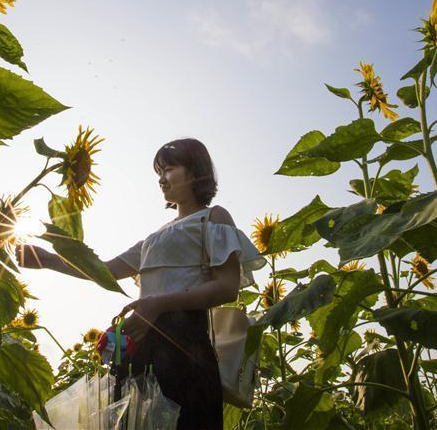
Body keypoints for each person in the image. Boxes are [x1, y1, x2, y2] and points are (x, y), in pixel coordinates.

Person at [17, 138, 266, 430]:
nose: (161, 179)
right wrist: (48, 259)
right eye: (158, 173)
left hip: (184, 345)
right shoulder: (155, 236)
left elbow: (227, 286)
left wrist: (158, 304)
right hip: (142, 344)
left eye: (169, 169)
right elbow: (105, 270)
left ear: (196, 172)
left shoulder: (212, 217)